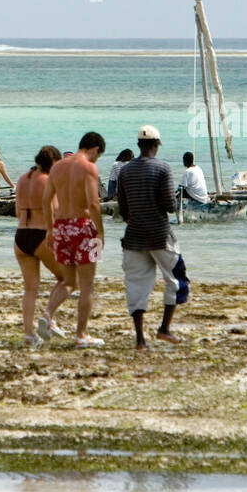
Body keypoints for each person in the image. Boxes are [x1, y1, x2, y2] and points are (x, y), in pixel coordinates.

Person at [39, 132, 106, 348]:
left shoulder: (57, 167)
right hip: (82, 227)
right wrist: (100, 232)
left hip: (60, 227)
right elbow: (93, 204)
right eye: (98, 156)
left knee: (69, 282)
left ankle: (48, 314)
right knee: (87, 286)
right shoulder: (88, 167)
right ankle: (81, 335)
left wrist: (50, 229)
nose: (96, 160)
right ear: (94, 149)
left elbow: (46, 199)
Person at [117, 125, 181, 350]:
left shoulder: (125, 171)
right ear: (156, 145)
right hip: (160, 235)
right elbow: (170, 206)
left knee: (136, 287)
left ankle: (140, 340)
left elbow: (123, 209)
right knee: (175, 280)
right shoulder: (163, 168)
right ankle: (164, 328)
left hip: (133, 236)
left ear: (138, 146)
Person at [14, 146, 71, 348]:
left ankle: (29, 334)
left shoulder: (22, 179)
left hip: (21, 236)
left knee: (30, 289)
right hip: (40, 234)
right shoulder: (48, 181)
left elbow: (16, 210)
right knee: (68, 278)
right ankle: (48, 317)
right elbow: (55, 210)